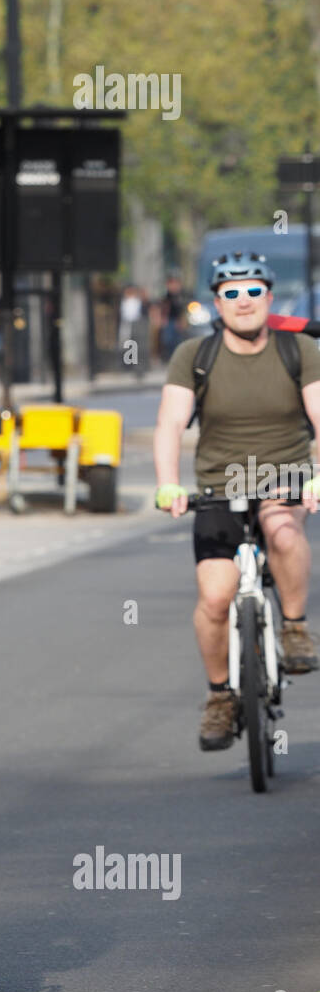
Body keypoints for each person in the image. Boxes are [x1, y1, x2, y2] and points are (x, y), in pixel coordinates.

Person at [154, 253, 320, 750]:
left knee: (284, 530)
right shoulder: (195, 355)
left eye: (253, 292)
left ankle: (293, 627)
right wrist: (168, 482)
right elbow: (169, 423)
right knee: (215, 597)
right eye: (231, 293)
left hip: (282, 474)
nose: (243, 302)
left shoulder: (300, 350)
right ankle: (221, 696)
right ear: (215, 302)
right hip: (216, 486)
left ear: (270, 298)